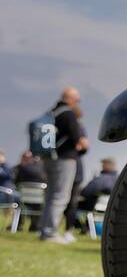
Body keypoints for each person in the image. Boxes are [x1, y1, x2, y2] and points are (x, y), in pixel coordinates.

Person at [37, 86, 89, 243]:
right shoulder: (68, 114)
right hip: (65, 159)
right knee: (60, 197)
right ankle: (51, 233)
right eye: (77, 99)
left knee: (50, 196)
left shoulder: (52, 112)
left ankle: (44, 230)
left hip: (48, 158)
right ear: (71, 99)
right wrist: (83, 144)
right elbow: (78, 140)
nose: (78, 102)